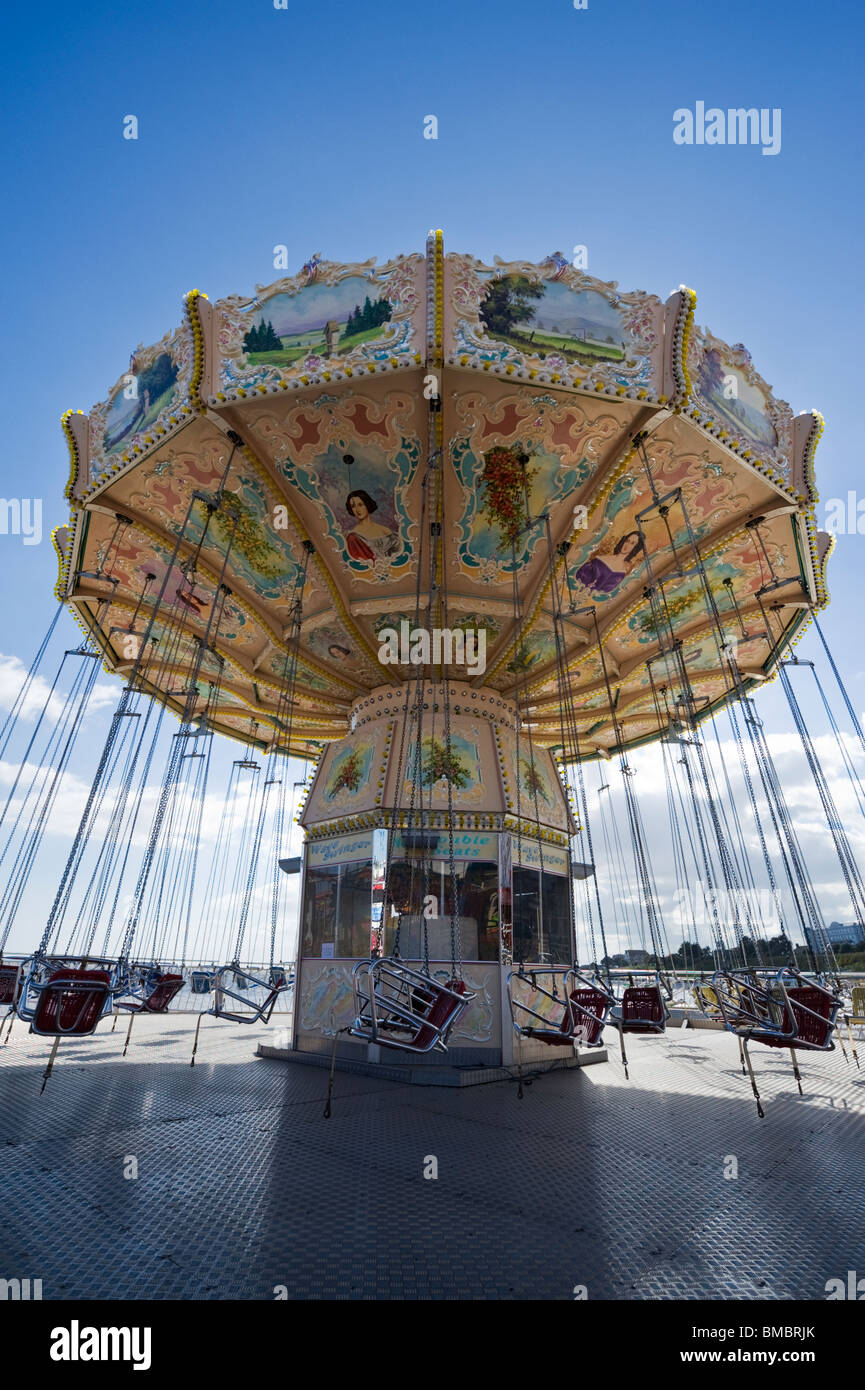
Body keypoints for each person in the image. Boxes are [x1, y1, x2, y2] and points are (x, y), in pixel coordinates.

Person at [574, 530, 642, 595]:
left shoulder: (625, 571)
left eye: (632, 543)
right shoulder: (600, 559)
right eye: (627, 541)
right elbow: (580, 574)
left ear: (635, 548)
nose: (627, 545)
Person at [345, 490, 399, 561]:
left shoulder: (385, 530)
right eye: (353, 506)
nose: (357, 510)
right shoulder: (353, 537)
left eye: (360, 505)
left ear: (367, 504)